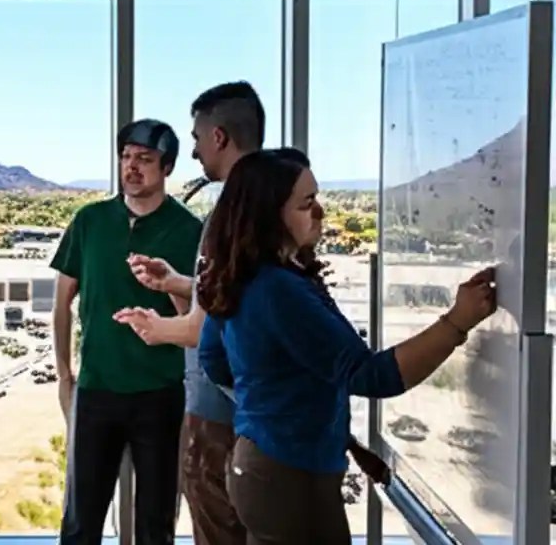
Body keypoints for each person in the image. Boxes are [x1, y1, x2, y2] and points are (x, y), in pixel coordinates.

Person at [195, 150, 496, 544]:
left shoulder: (248, 274)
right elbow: (372, 375)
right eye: (307, 203)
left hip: (264, 465)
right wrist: (456, 322)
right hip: (289, 479)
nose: (320, 211)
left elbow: (214, 359)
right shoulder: (280, 290)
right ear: (270, 215)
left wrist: (276, 397)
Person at [113, 81, 263, 545]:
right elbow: (238, 298)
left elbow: (203, 328)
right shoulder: (262, 202)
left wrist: (153, 328)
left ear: (219, 137)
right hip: (251, 412)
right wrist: (176, 283)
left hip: (220, 414)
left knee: (217, 531)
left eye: (197, 138)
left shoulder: (230, 215)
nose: (196, 152)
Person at [51, 118, 203, 545]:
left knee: (156, 524)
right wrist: (65, 377)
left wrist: (168, 283)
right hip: (96, 389)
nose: (131, 167)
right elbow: (62, 303)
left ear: (167, 167)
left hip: (160, 393)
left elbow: (195, 317)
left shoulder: (189, 230)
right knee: (80, 521)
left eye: (145, 159)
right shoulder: (90, 221)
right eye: (126, 158)